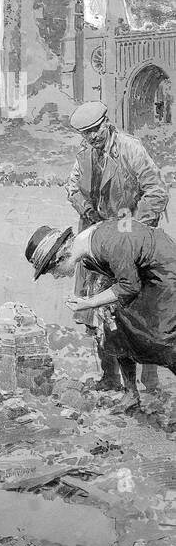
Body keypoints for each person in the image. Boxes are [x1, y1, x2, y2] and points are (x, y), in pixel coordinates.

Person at [29, 221, 176, 430]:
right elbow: (118, 282)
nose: (56, 275)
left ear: (60, 256)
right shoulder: (86, 257)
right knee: (115, 327)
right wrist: (101, 308)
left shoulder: (108, 243)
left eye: (52, 270)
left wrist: (90, 302)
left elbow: (129, 286)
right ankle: (130, 393)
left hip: (164, 271)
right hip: (139, 274)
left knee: (162, 339)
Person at [65, 101, 168, 398]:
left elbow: (157, 191)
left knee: (137, 311)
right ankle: (110, 378)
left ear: (107, 123)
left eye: (96, 130)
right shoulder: (84, 155)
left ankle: (149, 383)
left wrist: (131, 228)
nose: (93, 137)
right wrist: (86, 208)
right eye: (86, 134)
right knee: (98, 309)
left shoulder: (130, 149)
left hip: (128, 237)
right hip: (97, 239)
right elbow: (71, 188)